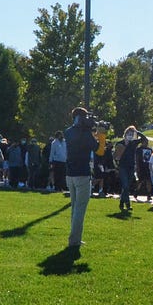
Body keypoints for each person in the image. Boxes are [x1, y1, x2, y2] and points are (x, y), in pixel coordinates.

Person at [64, 108, 99, 252]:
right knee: (80, 208)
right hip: (82, 174)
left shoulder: (68, 132)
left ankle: (75, 237)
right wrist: (99, 134)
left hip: (70, 174)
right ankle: (74, 240)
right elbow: (97, 148)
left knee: (74, 207)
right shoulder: (85, 134)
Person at [117, 126, 147, 212]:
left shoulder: (134, 143)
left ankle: (122, 202)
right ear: (125, 134)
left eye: (131, 134)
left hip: (131, 167)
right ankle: (128, 204)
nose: (130, 135)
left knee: (127, 187)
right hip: (122, 167)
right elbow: (117, 155)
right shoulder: (120, 143)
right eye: (128, 133)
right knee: (125, 185)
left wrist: (137, 132)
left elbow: (144, 139)